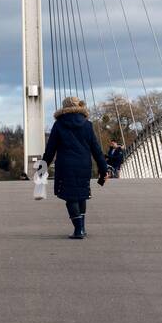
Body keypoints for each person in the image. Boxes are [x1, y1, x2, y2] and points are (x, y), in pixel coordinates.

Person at [40, 95, 107, 239]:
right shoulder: (87, 125)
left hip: (66, 165)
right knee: (81, 195)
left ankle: (78, 230)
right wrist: (103, 169)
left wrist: (42, 168)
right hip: (84, 165)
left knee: (71, 197)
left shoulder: (58, 125)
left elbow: (50, 149)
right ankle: (81, 228)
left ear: (64, 108)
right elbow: (96, 149)